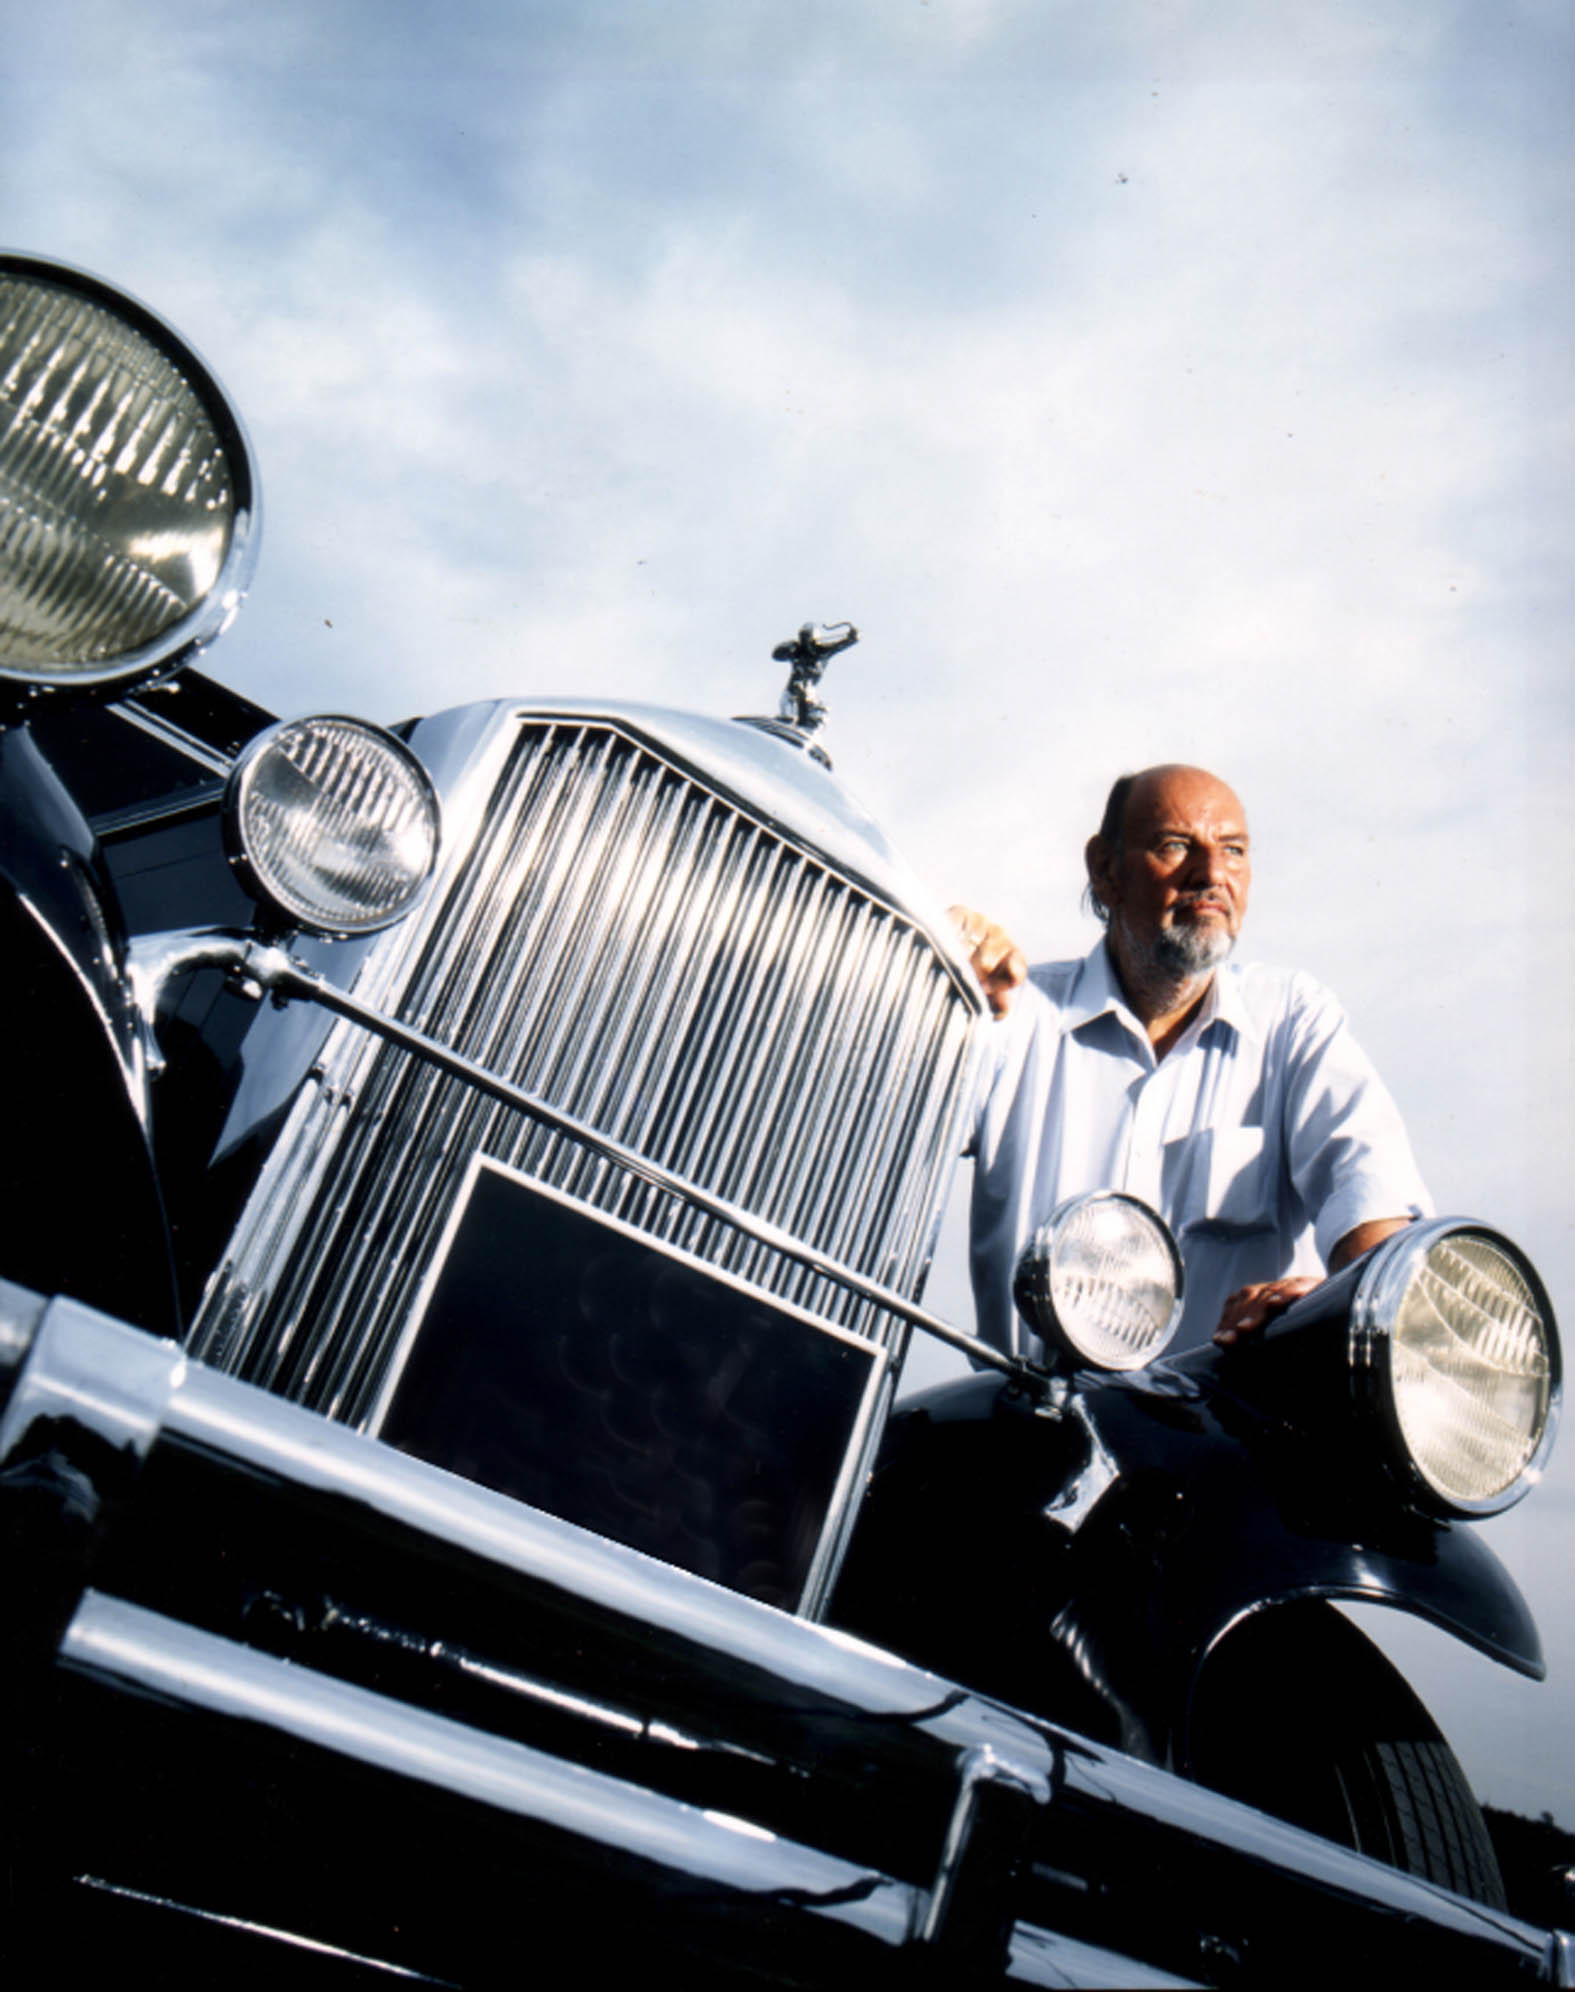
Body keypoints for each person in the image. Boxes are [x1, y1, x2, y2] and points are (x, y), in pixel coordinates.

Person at [951, 764, 1430, 1357]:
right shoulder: (1013, 1015)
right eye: (1175, 846)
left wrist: (1336, 1297)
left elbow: (1373, 1201)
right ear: (1105, 871)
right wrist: (926, 976)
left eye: (1233, 850)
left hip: (1223, 1441)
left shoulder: (1291, 1021)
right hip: (1032, 1434)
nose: (1211, 875)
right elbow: (879, 1123)